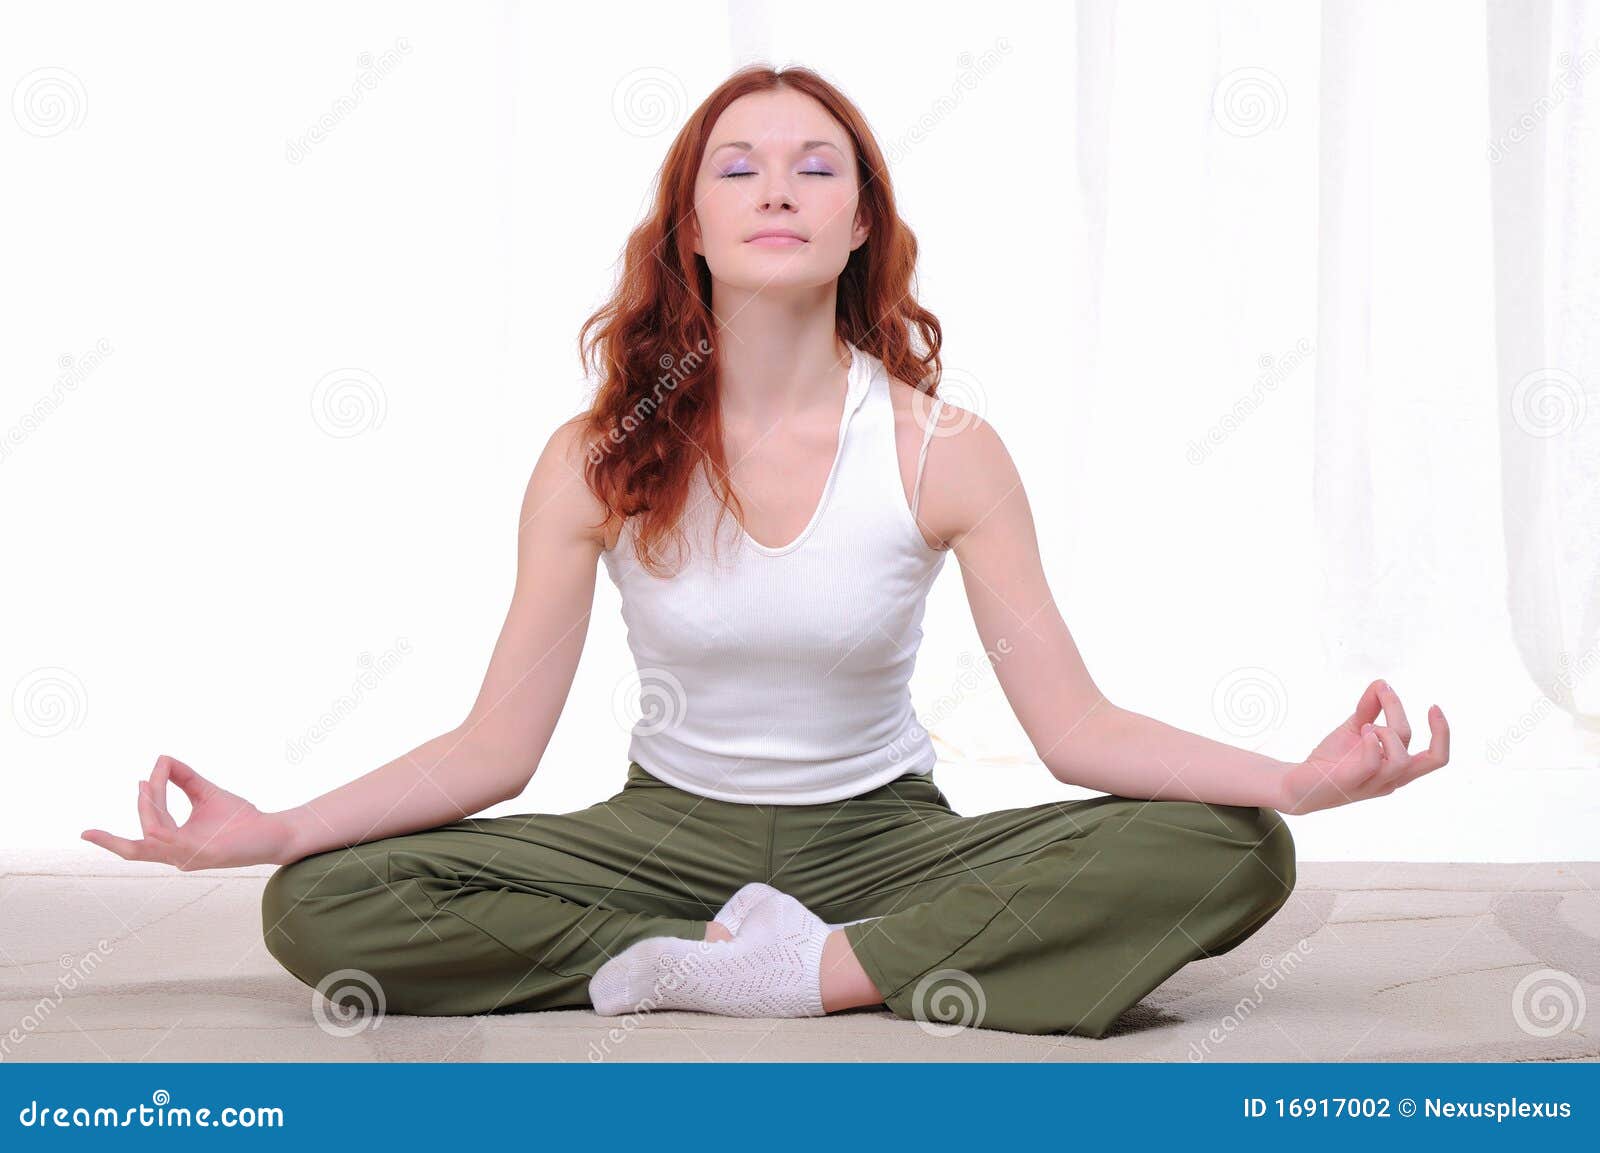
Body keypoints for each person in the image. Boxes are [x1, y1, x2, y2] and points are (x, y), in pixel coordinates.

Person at [81, 64, 1450, 1038]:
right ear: (691, 225)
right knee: (324, 906)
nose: (776, 188)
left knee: (1235, 850)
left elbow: (1074, 729)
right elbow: (493, 748)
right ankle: (709, 955)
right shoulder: (595, 458)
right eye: (737, 167)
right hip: (658, 837)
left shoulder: (942, 447)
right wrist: (279, 828)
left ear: (863, 222)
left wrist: (1292, 777)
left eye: (817, 166)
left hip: (885, 844)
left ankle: (805, 969)